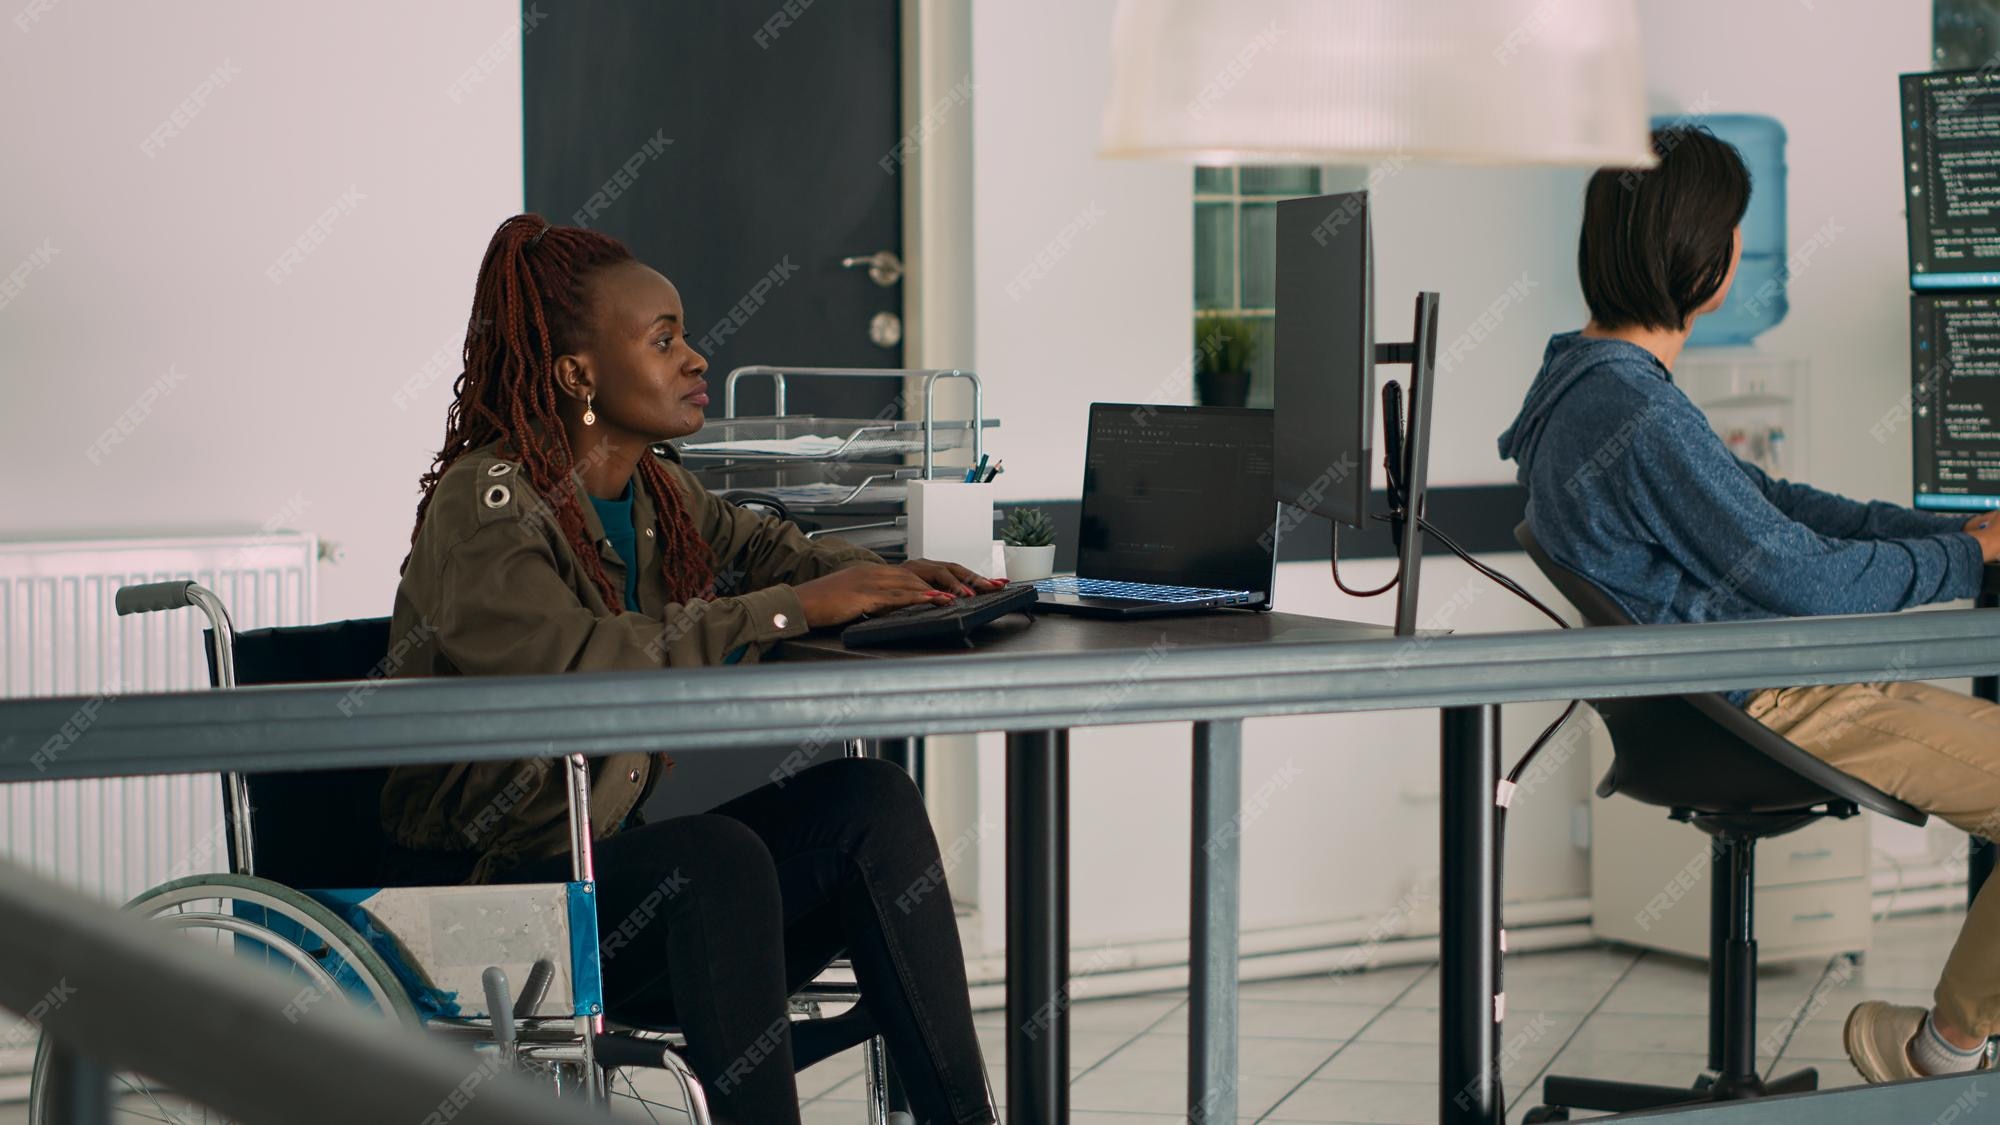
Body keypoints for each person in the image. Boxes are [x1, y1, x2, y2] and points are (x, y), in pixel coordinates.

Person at [379, 213, 1001, 1125]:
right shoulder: (489, 501)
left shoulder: (657, 490)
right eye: (663, 339)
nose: (696, 356)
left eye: (686, 334)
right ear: (576, 374)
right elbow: (575, 667)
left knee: (873, 805)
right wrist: (794, 609)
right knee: (713, 859)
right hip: (488, 895)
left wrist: (898, 581)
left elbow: (770, 551)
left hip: (601, 878)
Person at [1500, 126, 2000, 1084]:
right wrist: (1962, 562)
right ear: (1710, 258)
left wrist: (1950, 537)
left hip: (1721, 704)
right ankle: (1943, 1046)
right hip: (1773, 705)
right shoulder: (1633, 411)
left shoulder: (1586, 385)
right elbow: (1802, 581)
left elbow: (1773, 508)